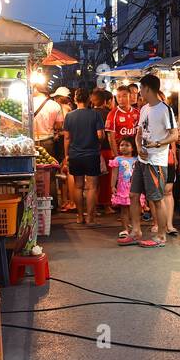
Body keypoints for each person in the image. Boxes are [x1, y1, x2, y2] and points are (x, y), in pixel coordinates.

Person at [132, 74, 177, 247]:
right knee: (133, 195)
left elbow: (174, 135)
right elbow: (139, 134)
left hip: (156, 161)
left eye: (141, 89)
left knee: (157, 199)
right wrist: (138, 148)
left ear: (148, 89)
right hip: (142, 159)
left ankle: (161, 235)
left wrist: (157, 143)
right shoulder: (144, 109)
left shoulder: (165, 109)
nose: (139, 92)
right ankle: (136, 231)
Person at [62, 89, 106, 226]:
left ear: (75, 99)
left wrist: (66, 155)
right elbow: (100, 135)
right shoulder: (95, 115)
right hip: (92, 154)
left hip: (75, 155)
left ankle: (80, 216)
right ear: (89, 100)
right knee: (92, 187)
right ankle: (90, 218)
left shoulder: (69, 116)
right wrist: (99, 142)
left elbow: (67, 138)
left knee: (78, 186)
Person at [109, 135, 139, 245]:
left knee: (135, 209)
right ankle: (125, 229)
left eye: (127, 145)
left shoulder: (137, 160)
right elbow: (114, 174)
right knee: (124, 210)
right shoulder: (117, 159)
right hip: (122, 188)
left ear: (133, 148)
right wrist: (113, 186)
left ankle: (135, 227)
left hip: (134, 188)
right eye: (122, 145)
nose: (124, 147)